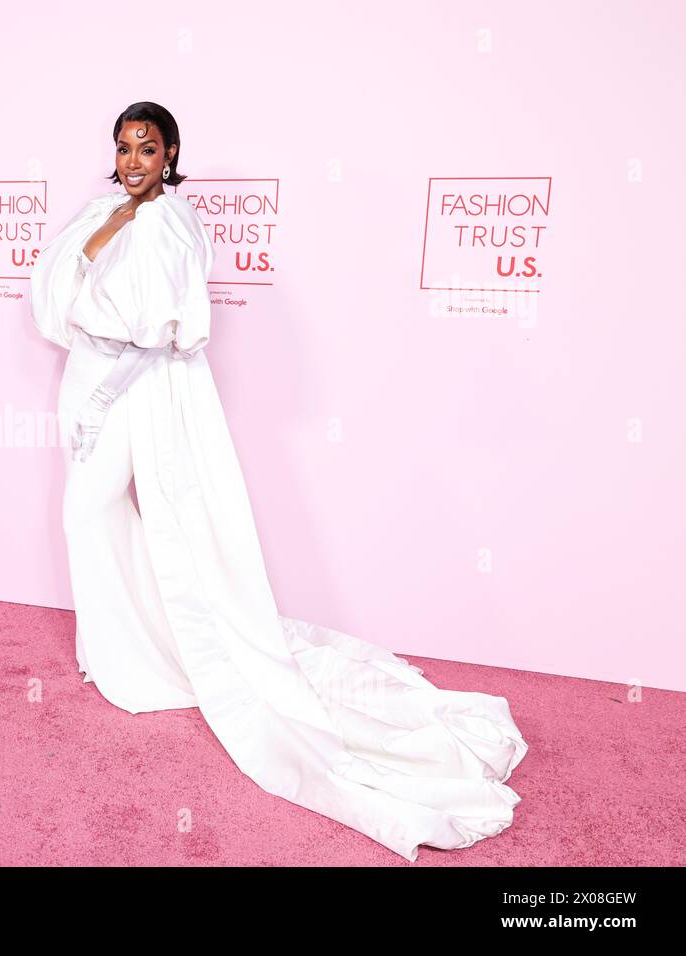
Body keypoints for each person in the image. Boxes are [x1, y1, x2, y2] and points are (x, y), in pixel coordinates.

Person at [29, 101, 529, 862]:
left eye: (149, 147)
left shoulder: (173, 220)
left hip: (135, 391)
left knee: (122, 516)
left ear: (171, 154)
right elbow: (55, 295)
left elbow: (160, 322)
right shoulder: (102, 208)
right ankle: (119, 645)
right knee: (93, 520)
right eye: (125, 147)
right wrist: (89, 348)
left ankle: (145, 655)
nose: (134, 160)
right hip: (89, 383)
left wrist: (101, 371)